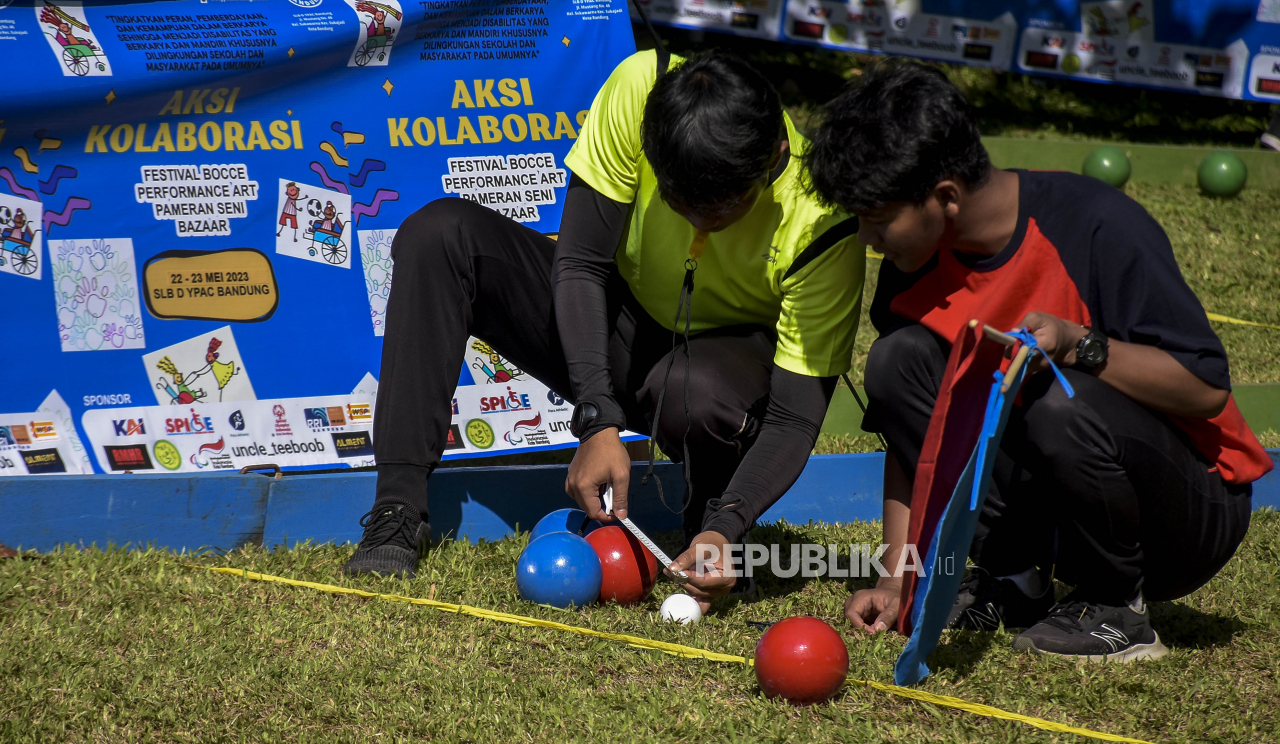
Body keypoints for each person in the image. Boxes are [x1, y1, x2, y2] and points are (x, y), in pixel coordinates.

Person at [345, 49, 865, 612]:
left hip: (715, 376)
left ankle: (709, 533)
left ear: (774, 158)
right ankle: (397, 509)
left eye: (718, 211)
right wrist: (597, 418)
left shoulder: (824, 217)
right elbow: (580, 264)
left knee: (702, 390)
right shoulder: (641, 84)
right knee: (438, 236)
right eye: (676, 200)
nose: (696, 224)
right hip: (618, 330)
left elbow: (793, 417)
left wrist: (731, 523)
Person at [805, 61, 1272, 661]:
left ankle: (1117, 604)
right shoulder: (911, 266)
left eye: (876, 219)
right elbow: (913, 441)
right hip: (1059, 506)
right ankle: (1015, 577)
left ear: (944, 197)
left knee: (1058, 400)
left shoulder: (1096, 225)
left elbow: (1206, 390)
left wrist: (1080, 344)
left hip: (1186, 514)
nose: (868, 239)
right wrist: (899, 577)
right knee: (897, 363)